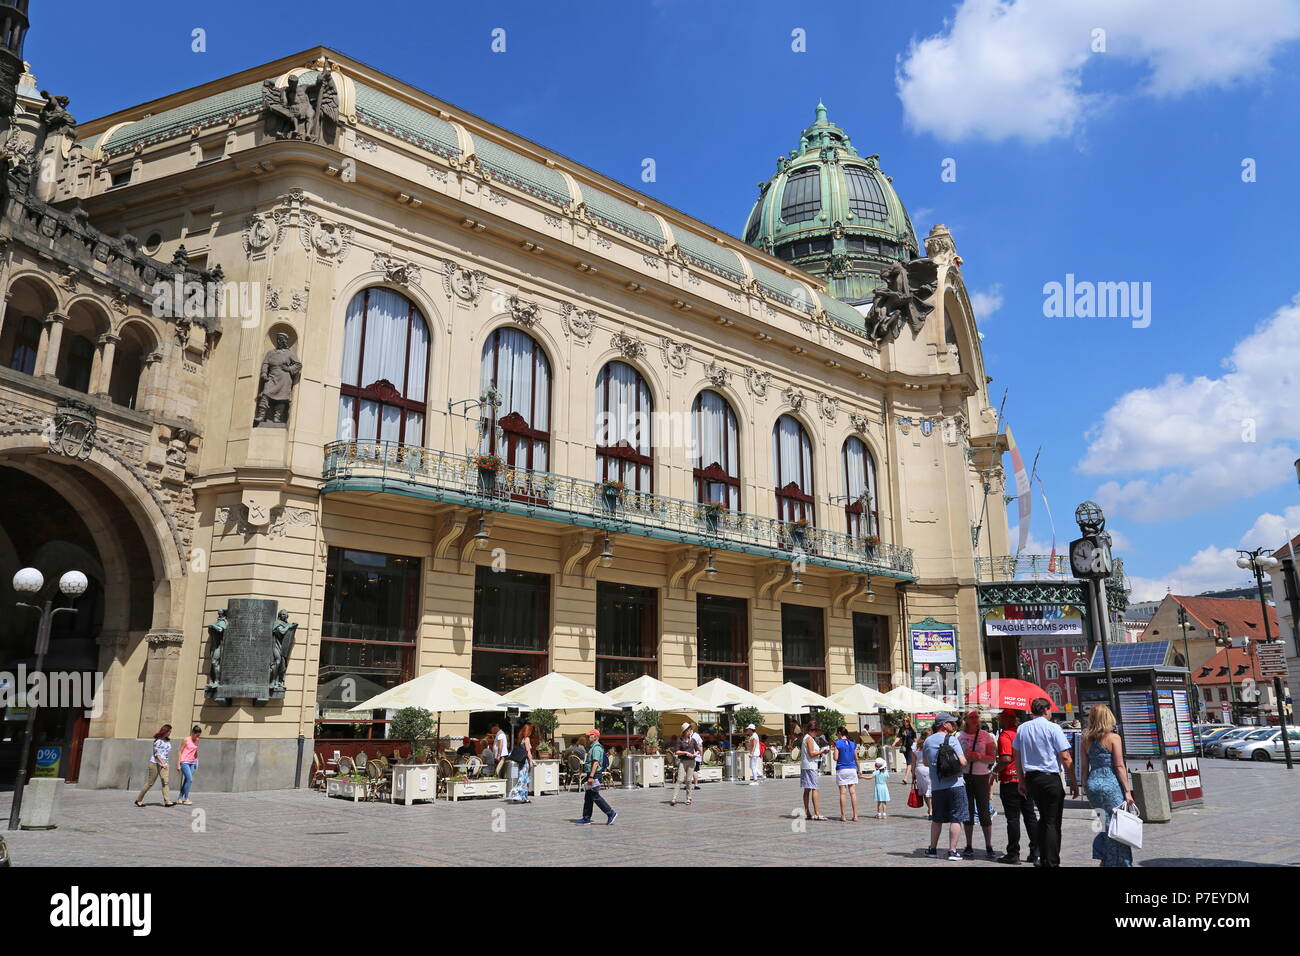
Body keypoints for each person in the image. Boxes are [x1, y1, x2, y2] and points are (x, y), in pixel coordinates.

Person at [1012, 698, 1073, 868]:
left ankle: (1039, 854)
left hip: (1032, 779)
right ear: (1045, 710)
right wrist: (1073, 782)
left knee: (1044, 818)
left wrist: (1021, 780)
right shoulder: (1053, 728)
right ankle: (1051, 861)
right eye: (1050, 709)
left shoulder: (1022, 728)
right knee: (1052, 821)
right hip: (1049, 778)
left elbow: (1016, 755)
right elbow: (1066, 757)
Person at [1082, 705, 1135, 867]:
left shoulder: (1085, 739)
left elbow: (1084, 766)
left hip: (1093, 784)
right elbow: (1119, 766)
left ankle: (1104, 858)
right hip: (1110, 784)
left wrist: (1085, 786)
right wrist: (1127, 791)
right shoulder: (1113, 738)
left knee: (1104, 824)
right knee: (1117, 826)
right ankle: (1118, 862)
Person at [994, 709, 1038, 865]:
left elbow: (1006, 759)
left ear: (1006, 719)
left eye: (1000, 717)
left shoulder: (1006, 735)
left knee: (1013, 819)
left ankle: (1013, 853)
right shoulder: (1023, 733)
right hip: (1027, 778)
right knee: (1030, 816)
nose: (998, 720)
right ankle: (1036, 851)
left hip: (1011, 780)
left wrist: (994, 771)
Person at [922, 713, 968, 860]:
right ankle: (952, 851)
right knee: (956, 818)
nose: (953, 725)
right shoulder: (952, 740)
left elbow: (926, 763)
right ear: (943, 725)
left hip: (937, 786)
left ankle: (932, 849)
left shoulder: (927, 741)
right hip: (955, 784)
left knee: (937, 819)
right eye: (951, 722)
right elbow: (963, 762)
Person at [957, 710, 997, 860]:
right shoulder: (959, 736)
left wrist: (978, 756)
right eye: (971, 717)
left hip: (981, 777)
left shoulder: (985, 736)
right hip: (964, 777)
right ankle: (968, 845)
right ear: (965, 719)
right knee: (967, 811)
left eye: (976, 717)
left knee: (984, 811)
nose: (975, 720)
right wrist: (962, 758)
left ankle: (988, 845)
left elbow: (992, 758)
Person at [576, 729, 617, 825]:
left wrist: (591, 777)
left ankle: (611, 813)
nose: (587, 737)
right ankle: (586, 818)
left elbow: (595, 763)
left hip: (594, 775)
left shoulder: (596, 748)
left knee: (595, 796)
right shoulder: (592, 747)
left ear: (595, 737)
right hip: (591, 774)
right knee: (588, 797)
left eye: (589, 736)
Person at [134, 724, 176, 807]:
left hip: (164, 764)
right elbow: (157, 754)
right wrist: (163, 763)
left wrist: (165, 764)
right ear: (165, 731)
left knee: (165, 782)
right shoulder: (158, 741)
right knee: (150, 783)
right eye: (169, 731)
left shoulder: (167, 741)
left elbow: (166, 754)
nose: (170, 733)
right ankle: (138, 800)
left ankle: (167, 801)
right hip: (155, 763)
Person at [800, 719, 831, 821]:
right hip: (810, 766)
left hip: (806, 765)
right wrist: (822, 751)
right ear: (813, 730)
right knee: (814, 789)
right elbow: (811, 753)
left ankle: (807, 812)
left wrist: (821, 753)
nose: (817, 733)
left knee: (807, 789)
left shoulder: (806, 738)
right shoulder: (809, 738)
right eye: (816, 731)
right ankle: (817, 813)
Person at [832, 726, 860, 821]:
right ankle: (855, 815)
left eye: (837, 733)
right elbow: (856, 758)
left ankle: (843, 816)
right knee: (853, 793)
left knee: (842, 793)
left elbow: (835, 758)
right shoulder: (853, 744)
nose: (837, 735)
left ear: (840, 733)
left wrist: (833, 754)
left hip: (842, 769)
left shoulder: (837, 743)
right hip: (852, 769)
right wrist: (859, 770)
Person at [671, 724, 701, 806]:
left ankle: (689, 798)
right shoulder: (679, 740)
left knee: (688, 781)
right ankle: (674, 798)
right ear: (684, 731)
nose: (690, 731)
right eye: (688, 730)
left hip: (692, 762)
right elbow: (676, 752)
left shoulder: (693, 740)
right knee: (680, 779)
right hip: (683, 761)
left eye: (690, 730)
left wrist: (695, 754)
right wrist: (685, 752)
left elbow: (698, 750)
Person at [507, 722, 535, 803]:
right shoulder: (527, 739)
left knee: (524, 779)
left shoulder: (521, 739)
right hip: (525, 762)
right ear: (528, 731)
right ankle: (515, 793)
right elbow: (528, 752)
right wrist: (531, 761)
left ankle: (524, 797)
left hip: (521, 762)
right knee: (524, 779)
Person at [176, 725, 201, 805]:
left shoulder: (197, 740)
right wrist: (178, 764)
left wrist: (197, 761)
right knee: (189, 779)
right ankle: (186, 798)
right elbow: (180, 751)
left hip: (192, 762)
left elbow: (195, 751)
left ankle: (180, 798)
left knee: (187, 780)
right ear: (193, 733)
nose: (197, 737)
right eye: (196, 735)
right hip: (184, 762)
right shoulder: (186, 739)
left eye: (198, 735)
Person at [911, 730, 933, 819]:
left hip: (919, 770)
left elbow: (913, 762)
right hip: (929, 768)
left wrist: (913, 774)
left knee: (924, 791)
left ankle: (930, 809)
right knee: (931, 791)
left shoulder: (915, 746)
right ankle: (932, 810)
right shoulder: (931, 744)